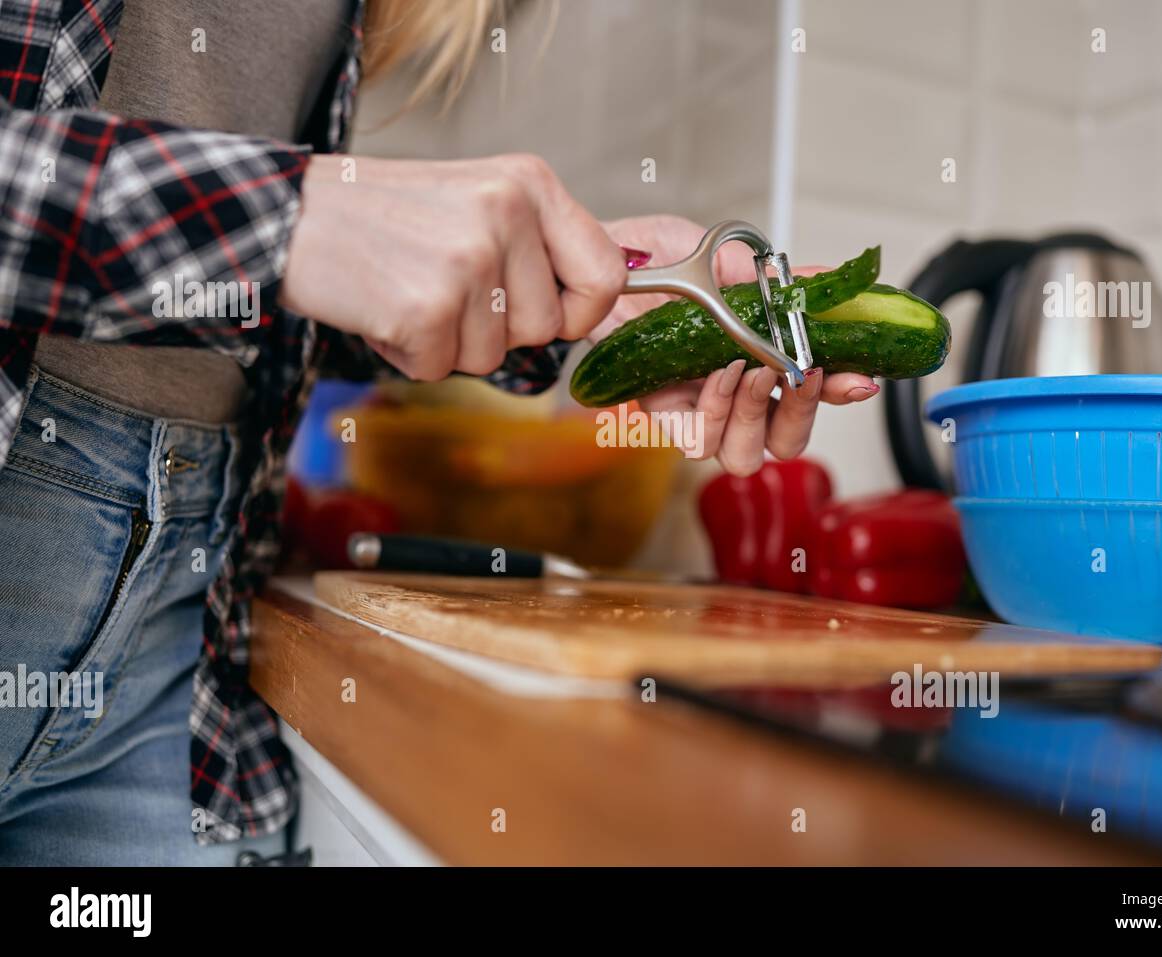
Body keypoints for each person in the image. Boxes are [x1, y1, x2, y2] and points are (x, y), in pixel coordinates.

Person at [0, 0, 878, 865]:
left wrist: (575, 301)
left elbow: (253, 295)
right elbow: (280, 240)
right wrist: (295, 219)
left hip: (179, 649)